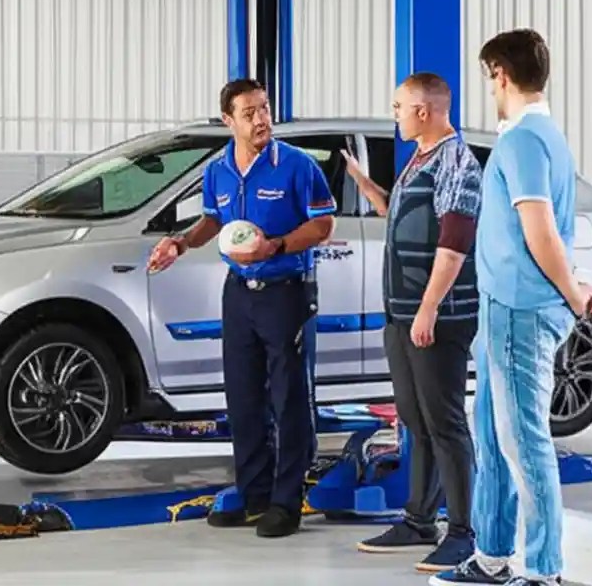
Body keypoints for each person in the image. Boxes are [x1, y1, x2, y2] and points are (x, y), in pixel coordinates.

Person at [431, 30, 592, 586]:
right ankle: (493, 556)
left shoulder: (523, 141)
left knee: (524, 441)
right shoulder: (547, 136)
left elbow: (541, 231)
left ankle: (544, 570)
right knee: (493, 437)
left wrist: (573, 293)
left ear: (499, 73)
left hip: (521, 310)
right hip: (503, 308)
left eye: (488, 77)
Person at [147, 77, 336, 539]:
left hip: (287, 289)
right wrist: (182, 243)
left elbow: (323, 224)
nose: (261, 119)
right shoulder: (218, 172)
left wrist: (277, 246)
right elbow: (215, 219)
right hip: (239, 292)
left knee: (289, 397)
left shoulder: (296, 166)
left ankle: (287, 502)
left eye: (265, 109)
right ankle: (254, 498)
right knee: (244, 396)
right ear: (228, 121)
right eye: (249, 113)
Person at [343, 73, 483, 573]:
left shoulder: (456, 162)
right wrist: (365, 185)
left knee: (445, 423)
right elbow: (402, 218)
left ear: (424, 111)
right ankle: (419, 519)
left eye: (399, 105)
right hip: (402, 313)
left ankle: (463, 532)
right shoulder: (418, 161)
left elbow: (452, 244)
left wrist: (428, 309)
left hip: (438, 317)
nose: (395, 113)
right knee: (416, 422)